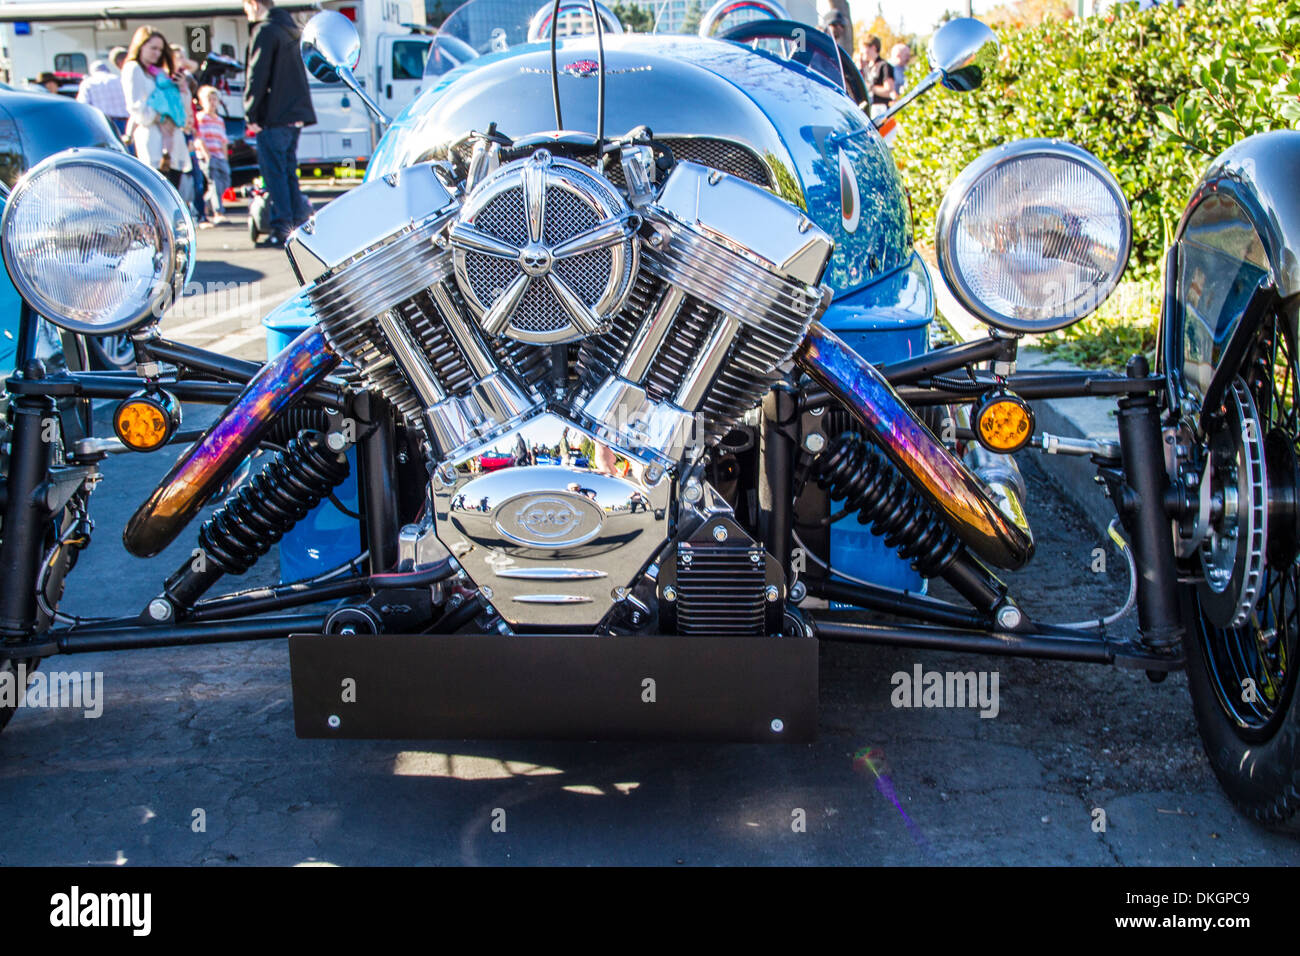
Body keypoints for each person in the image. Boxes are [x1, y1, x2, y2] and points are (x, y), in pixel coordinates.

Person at [242, 0, 317, 247]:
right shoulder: (291, 29)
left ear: (252, 4)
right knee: (288, 172)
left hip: (273, 117)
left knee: (275, 174)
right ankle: (298, 224)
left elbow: (257, 73)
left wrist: (251, 113)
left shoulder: (265, 31)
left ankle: (281, 229)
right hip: (295, 114)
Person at [121, 27, 192, 190]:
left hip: (174, 136)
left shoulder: (159, 72)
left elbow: (182, 105)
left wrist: (182, 87)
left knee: (173, 188)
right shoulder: (134, 68)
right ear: (141, 46)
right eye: (153, 48)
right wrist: (160, 117)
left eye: (160, 50)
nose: (157, 53)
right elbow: (135, 106)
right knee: (155, 190)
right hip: (152, 136)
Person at [195, 85, 231, 226]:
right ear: (202, 101)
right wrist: (207, 155)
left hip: (220, 156)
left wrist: (225, 157)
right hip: (208, 156)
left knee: (225, 182)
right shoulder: (201, 118)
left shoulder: (219, 120)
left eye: (214, 99)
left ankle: (205, 203)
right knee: (215, 183)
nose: (212, 102)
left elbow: (223, 140)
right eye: (209, 99)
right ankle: (218, 212)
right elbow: (200, 138)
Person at [77, 60, 130, 137]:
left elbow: (83, 105)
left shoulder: (88, 83)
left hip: (103, 122)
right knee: (126, 145)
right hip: (124, 122)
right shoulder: (119, 79)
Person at [859, 35, 895, 118]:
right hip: (869, 109)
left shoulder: (884, 66)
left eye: (863, 48)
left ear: (873, 47)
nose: (861, 51)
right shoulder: (866, 68)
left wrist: (870, 88)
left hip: (881, 109)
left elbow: (889, 91)